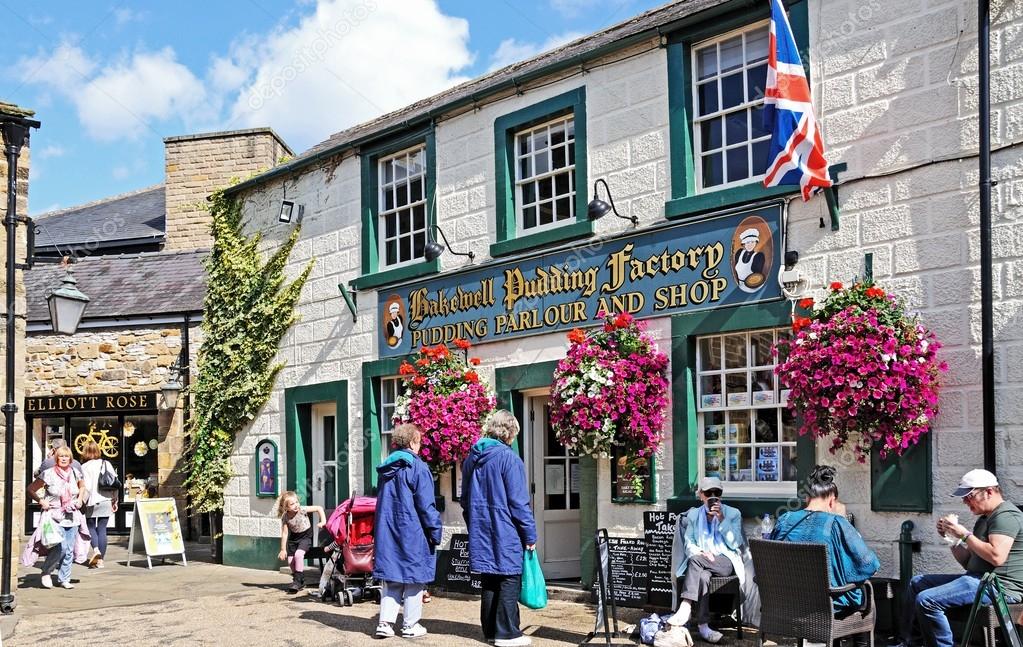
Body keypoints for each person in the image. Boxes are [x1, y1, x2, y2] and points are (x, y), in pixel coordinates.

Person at [898, 469, 1023, 647]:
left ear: (989, 491)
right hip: (977, 579)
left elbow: (997, 557)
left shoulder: (1006, 516)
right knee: (917, 583)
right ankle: (911, 643)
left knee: (927, 600)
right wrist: (951, 539)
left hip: (1000, 587)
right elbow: (968, 562)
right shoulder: (984, 519)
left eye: (969, 495)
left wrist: (964, 535)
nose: (965, 501)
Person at [771, 465, 879, 647]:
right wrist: (843, 519)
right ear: (832, 501)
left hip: (787, 604)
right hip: (826, 606)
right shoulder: (836, 523)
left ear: (807, 498)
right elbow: (869, 565)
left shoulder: (785, 519)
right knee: (867, 599)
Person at [462, 409, 537, 647]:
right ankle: (507, 634)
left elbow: (464, 499)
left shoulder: (471, 458)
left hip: (481, 528)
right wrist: (530, 534)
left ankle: (491, 631)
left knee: (490, 579)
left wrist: (473, 523)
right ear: (509, 432)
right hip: (505, 528)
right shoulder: (509, 458)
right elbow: (519, 502)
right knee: (508, 577)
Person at [371, 423, 442, 639]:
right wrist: (435, 531)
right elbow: (426, 505)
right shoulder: (418, 468)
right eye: (419, 441)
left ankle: (385, 623)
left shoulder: (386, 468)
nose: (420, 446)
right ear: (412, 442)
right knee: (414, 578)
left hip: (388, 529)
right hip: (413, 531)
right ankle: (410, 625)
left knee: (392, 577)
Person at [667, 476, 749, 644]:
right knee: (703, 576)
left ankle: (686, 605)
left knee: (696, 562)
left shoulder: (733, 513)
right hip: (702, 561)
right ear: (701, 495)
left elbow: (735, 544)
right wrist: (702, 553)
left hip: (726, 562)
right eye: (708, 492)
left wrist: (721, 519)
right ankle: (704, 626)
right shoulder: (694, 515)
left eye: (716, 492)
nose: (713, 496)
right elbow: (689, 542)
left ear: (721, 495)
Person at [27, 446, 89, 589]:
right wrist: (41, 501)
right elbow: (31, 489)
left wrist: (79, 500)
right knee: (58, 548)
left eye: (66, 456)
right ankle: (46, 571)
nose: (63, 459)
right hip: (54, 515)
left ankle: (64, 578)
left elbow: (82, 487)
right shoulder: (48, 474)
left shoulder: (75, 472)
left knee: (69, 549)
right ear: (56, 458)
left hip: (72, 515)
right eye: (61, 456)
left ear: (70, 459)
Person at [276, 491, 326, 593]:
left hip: (305, 537)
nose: (296, 505)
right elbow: (285, 533)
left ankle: (297, 581)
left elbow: (319, 508)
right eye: (292, 504)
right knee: (290, 561)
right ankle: (300, 579)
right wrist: (283, 549)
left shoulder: (302, 510)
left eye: (297, 502)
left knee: (298, 555)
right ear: (286, 508)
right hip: (293, 539)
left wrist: (323, 521)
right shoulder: (285, 517)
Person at [79, 440, 118, 569]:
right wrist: (115, 499)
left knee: (90, 526)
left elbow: (86, 488)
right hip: (106, 499)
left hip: (91, 501)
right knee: (102, 529)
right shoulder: (106, 463)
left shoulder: (83, 467)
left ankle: (96, 550)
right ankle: (101, 560)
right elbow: (114, 483)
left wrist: (81, 502)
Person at [733, 228, 765, 293]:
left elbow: (758, 276)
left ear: (756, 243)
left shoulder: (758, 256)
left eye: (752, 242)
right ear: (744, 244)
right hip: (740, 286)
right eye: (747, 242)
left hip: (754, 289)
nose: (750, 245)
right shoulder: (739, 253)